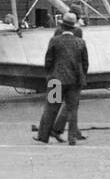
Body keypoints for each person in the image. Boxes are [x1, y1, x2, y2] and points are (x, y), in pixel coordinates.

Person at [36, 12, 89, 145]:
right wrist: (81, 77)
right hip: (74, 82)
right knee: (72, 109)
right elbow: (85, 63)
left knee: (51, 108)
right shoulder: (81, 42)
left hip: (56, 80)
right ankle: (72, 138)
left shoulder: (54, 41)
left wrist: (50, 75)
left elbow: (48, 61)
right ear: (73, 28)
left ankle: (43, 136)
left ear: (62, 27)